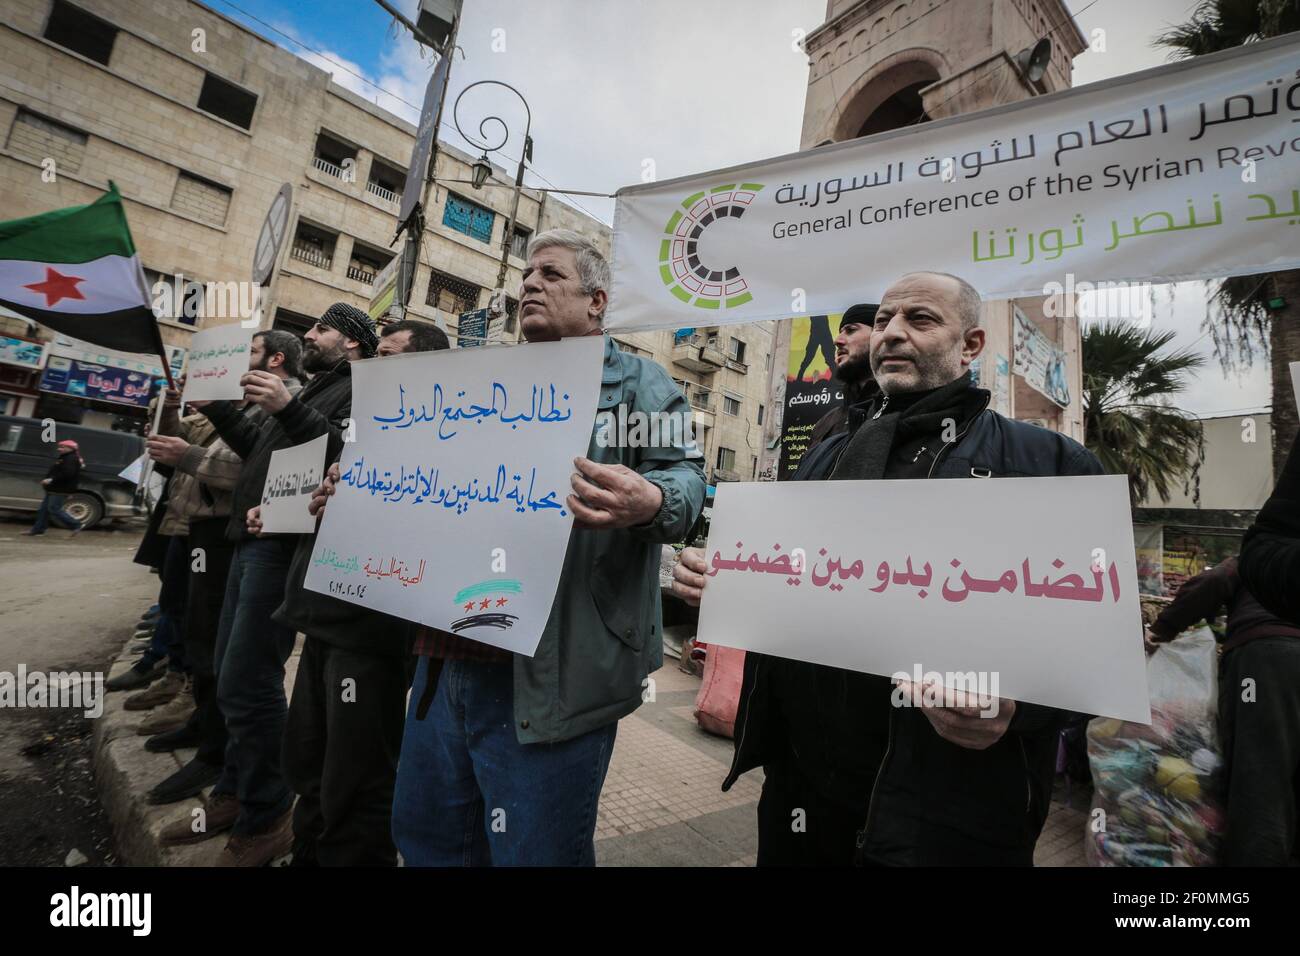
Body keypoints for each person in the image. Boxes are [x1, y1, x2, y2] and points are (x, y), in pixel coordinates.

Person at [673, 271, 1103, 866]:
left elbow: (1096, 646)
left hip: (943, 820)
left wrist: (1018, 709)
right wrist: (726, 586)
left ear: (971, 345)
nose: (892, 334)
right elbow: (795, 578)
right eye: (882, 322)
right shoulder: (828, 452)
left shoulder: (1046, 462)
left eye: (920, 320)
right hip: (801, 799)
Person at [390, 229, 706, 866]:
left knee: (536, 854)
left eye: (551, 275)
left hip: (553, 674)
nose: (529, 284)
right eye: (526, 275)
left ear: (597, 302)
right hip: (444, 660)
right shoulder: (479, 379)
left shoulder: (642, 385)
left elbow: (693, 481)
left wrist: (651, 500)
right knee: (429, 842)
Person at [261, 318, 446, 866]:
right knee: (310, 761)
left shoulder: (440, 434)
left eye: (385, 357)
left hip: (372, 636)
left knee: (358, 775)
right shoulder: (365, 423)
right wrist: (301, 505)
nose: (364, 369)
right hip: (321, 616)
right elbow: (321, 489)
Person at [195, 306, 374, 866]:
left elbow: (343, 456)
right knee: (228, 672)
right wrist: (222, 408)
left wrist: (289, 407)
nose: (308, 336)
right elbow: (263, 453)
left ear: (350, 343)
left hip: (284, 546)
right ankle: (236, 789)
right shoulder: (318, 388)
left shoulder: (360, 390)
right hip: (255, 535)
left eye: (321, 329)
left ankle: (268, 813)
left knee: (249, 678)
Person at [145, 331, 303, 815]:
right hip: (224, 533)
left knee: (241, 671)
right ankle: (217, 746)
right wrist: (180, 406)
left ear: (275, 359)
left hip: (242, 538)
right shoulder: (242, 402)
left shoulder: (287, 401)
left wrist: (191, 455)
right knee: (208, 644)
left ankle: (242, 780)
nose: (239, 361)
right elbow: (183, 435)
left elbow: (251, 463)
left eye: (250, 352)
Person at [1146, 555, 1300, 865]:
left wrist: (1162, 629)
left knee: (1258, 771)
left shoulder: (1265, 553)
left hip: (1267, 661)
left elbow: (1213, 582)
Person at [23, 439, 83, 535]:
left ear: (70, 448)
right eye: (60, 447)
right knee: (44, 510)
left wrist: (51, 479)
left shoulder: (71, 458)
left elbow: (68, 474)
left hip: (60, 489)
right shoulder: (65, 457)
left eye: (63, 447)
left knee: (54, 509)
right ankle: (38, 530)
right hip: (54, 488)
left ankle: (76, 524)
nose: (60, 449)